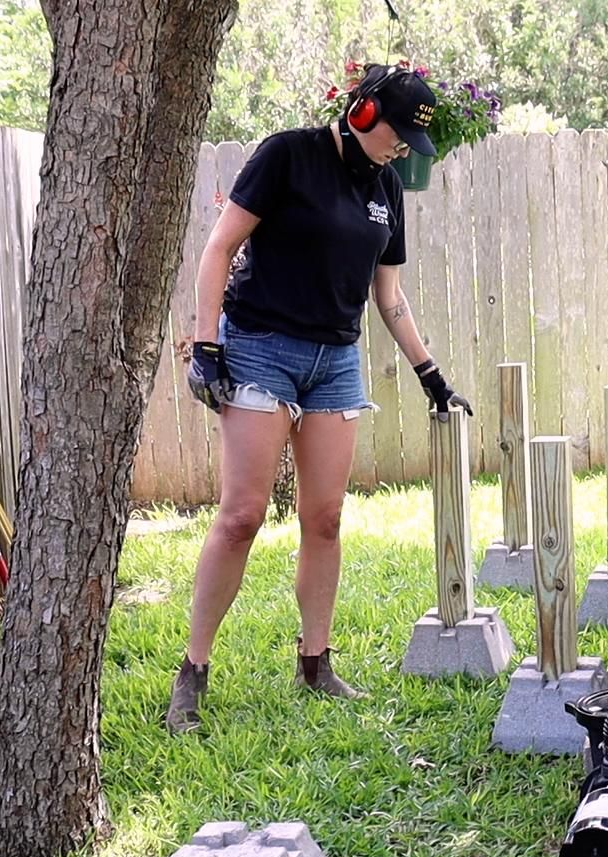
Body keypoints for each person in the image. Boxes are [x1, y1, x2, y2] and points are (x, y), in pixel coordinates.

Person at [165, 63, 472, 733]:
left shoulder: (388, 186)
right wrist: (206, 344)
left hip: (334, 361)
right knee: (242, 514)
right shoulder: (288, 156)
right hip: (260, 347)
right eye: (395, 135)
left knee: (326, 518)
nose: (399, 152)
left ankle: (315, 662)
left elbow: (388, 297)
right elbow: (219, 249)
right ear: (363, 114)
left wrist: (431, 375)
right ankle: (192, 672)